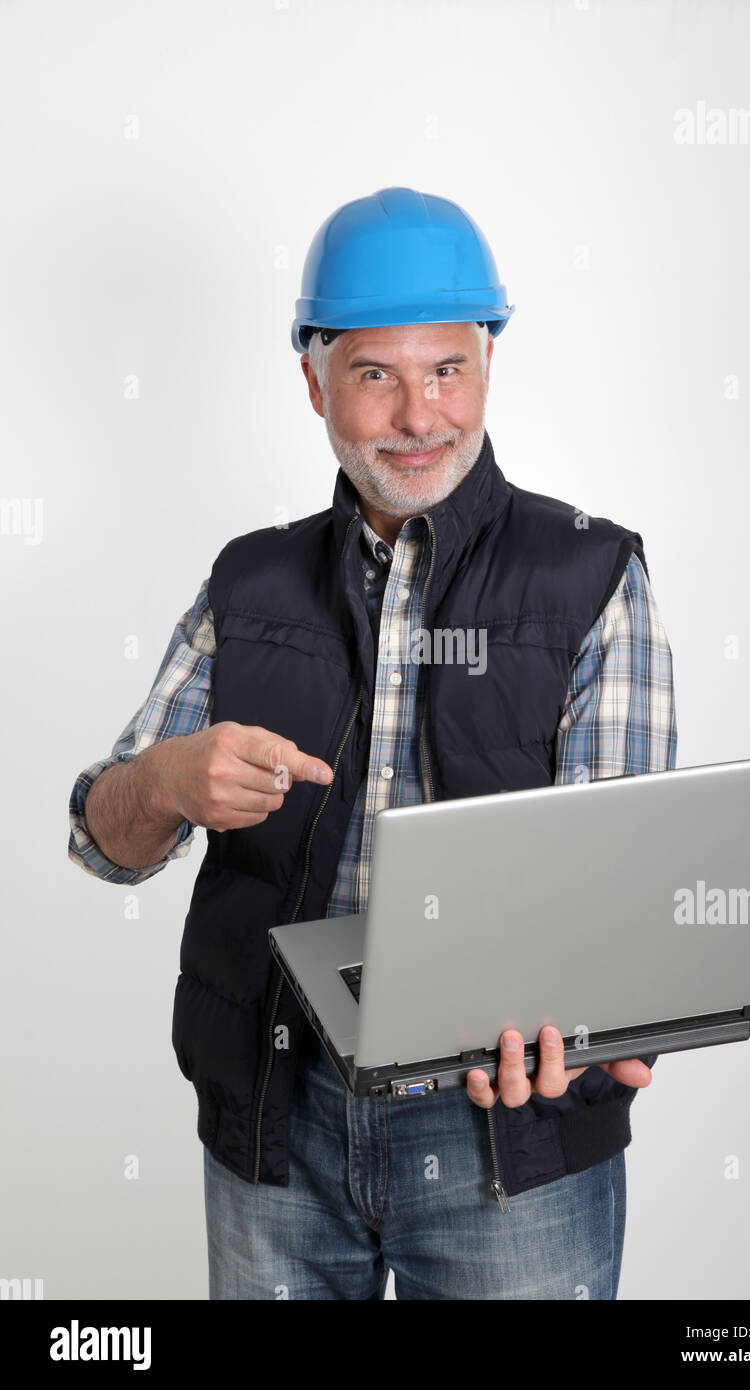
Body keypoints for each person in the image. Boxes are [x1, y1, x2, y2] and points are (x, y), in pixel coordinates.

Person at [68, 186, 677, 1300]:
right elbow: (103, 843)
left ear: (487, 360)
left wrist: (591, 1022)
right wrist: (164, 780)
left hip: (510, 1137)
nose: (418, 415)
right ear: (312, 380)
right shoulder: (246, 583)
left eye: (446, 368)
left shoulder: (589, 578)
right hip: (276, 1127)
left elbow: (620, 901)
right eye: (374, 375)